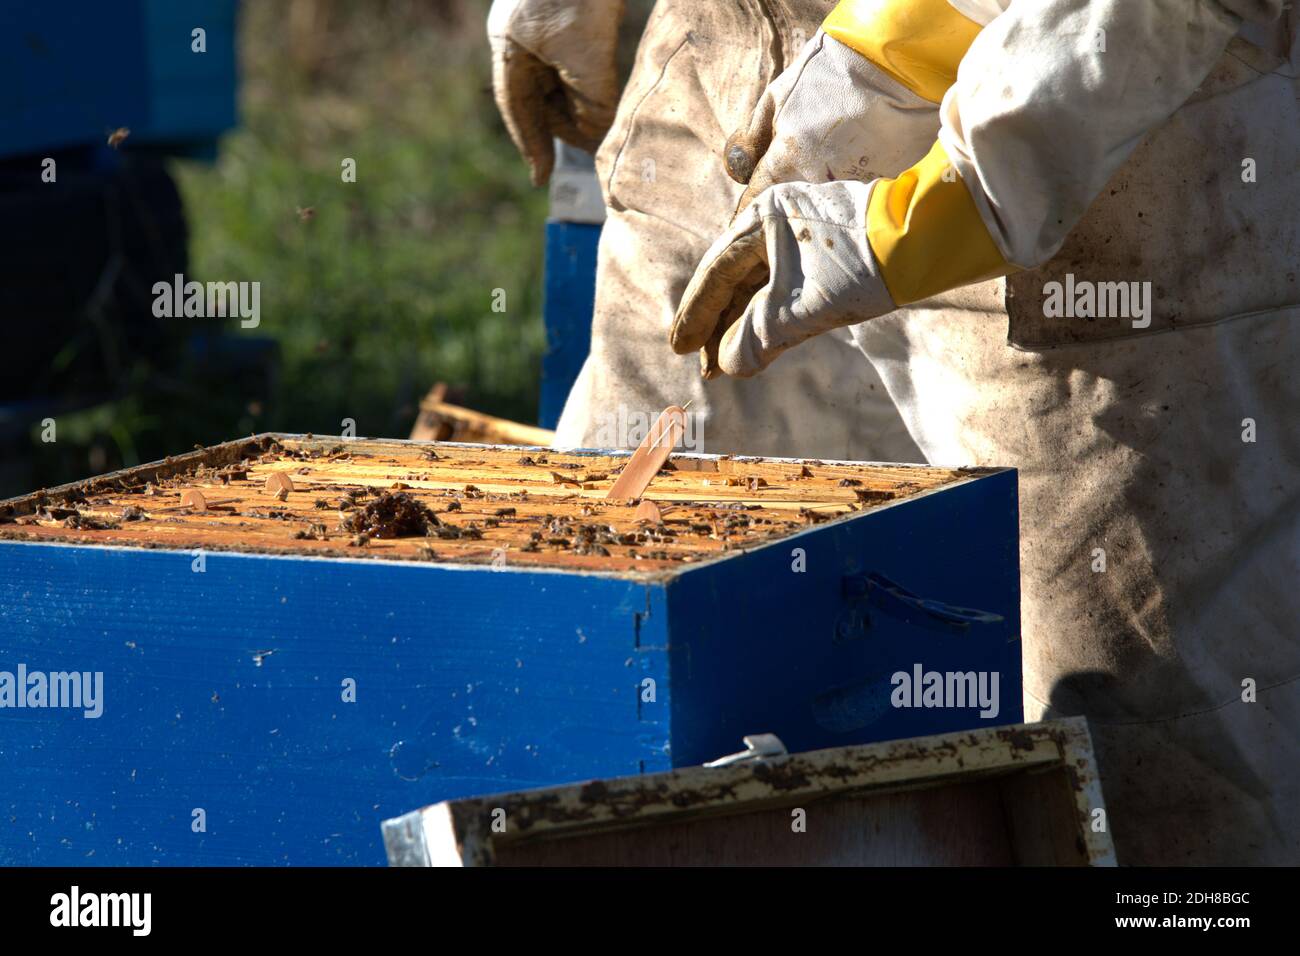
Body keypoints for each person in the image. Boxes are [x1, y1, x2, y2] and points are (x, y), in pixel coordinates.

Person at [492, 0, 1300, 864]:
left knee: (1136, 769)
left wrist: (951, 200)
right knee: (617, 668)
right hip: (727, 74)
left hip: (1100, 148)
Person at [487, 0, 923, 462]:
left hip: (946, 125)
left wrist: (881, 74)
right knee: (624, 475)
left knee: (975, 500)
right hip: (708, 59)